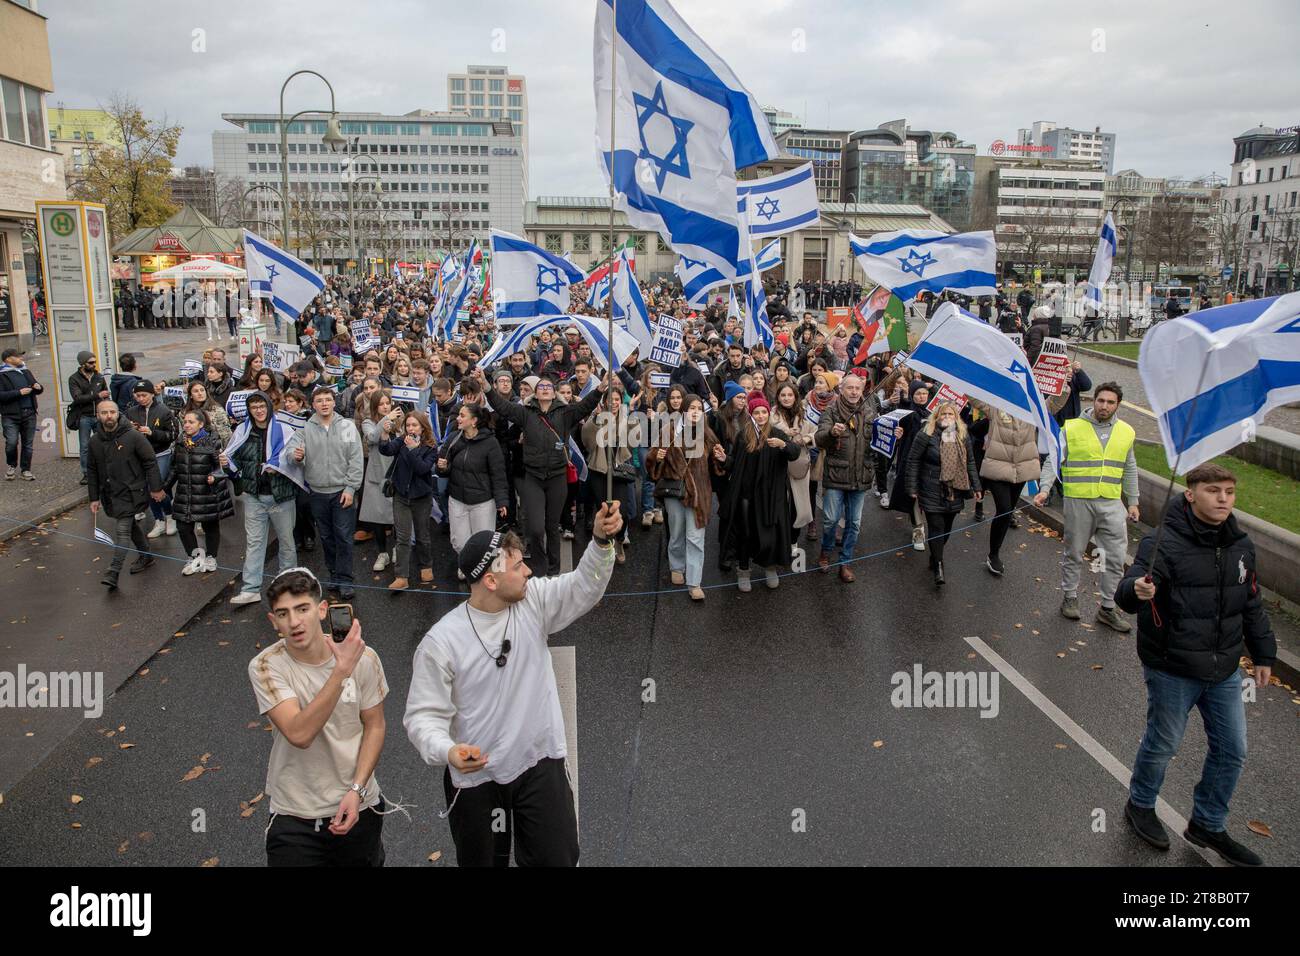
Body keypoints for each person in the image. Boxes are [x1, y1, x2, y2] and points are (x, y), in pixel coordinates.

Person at [403, 504, 623, 867]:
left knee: (558, 859)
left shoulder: (533, 601)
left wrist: (600, 541)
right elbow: (422, 717)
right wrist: (448, 751)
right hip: (478, 780)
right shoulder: (441, 642)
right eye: (518, 565)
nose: (528, 571)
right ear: (490, 580)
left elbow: (584, 587)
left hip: (540, 762)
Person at [1115, 463, 1276, 867]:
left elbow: (1251, 602)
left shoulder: (1241, 545)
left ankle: (1207, 823)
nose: (1223, 499)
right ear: (1191, 494)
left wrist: (1264, 653)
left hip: (1224, 669)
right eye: (1214, 491)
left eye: (1230, 492)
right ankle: (1140, 804)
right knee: (1164, 742)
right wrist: (1137, 590)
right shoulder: (1162, 543)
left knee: (1232, 750)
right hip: (1172, 666)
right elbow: (1127, 594)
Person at [250, 567, 390, 867]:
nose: (295, 622)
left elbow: (375, 726)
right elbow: (299, 734)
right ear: (273, 621)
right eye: (283, 613)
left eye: (302, 609)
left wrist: (357, 789)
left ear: (322, 609)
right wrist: (341, 670)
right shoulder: (266, 666)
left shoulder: (365, 659)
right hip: (294, 816)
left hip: (358, 806)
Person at [480, 366, 607, 576]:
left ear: (554, 392)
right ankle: (539, 569)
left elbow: (586, 406)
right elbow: (502, 407)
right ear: (535, 393)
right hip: (533, 477)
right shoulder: (525, 412)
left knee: (551, 526)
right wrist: (486, 387)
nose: (545, 389)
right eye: (541, 387)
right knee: (536, 529)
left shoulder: (566, 412)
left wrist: (600, 389)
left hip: (557, 477)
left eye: (549, 386)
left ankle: (554, 570)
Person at [1037, 381, 1138, 632]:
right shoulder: (1071, 428)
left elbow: (1130, 467)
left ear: (1118, 405)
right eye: (1100, 400)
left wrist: (1133, 501)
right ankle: (1069, 597)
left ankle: (1107, 607)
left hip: (1111, 503)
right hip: (1079, 502)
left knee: (1114, 557)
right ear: (1093, 401)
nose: (1104, 406)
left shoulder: (1126, 432)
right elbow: (1054, 460)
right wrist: (1044, 488)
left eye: (1110, 402)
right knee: (1075, 552)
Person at [286, 387, 366, 600]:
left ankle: (346, 580)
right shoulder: (305, 428)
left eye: (328, 400)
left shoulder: (347, 426)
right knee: (327, 537)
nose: (324, 404)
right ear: (313, 404)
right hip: (318, 493)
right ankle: (334, 574)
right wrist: (296, 455)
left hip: (342, 492)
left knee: (344, 537)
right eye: (319, 400)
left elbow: (356, 459)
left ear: (333, 402)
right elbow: (290, 453)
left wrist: (350, 488)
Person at [717, 391, 799, 591]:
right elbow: (734, 464)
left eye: (764, 412)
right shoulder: (743, 436)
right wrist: (723, 460)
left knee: (770, 534)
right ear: (751, 415)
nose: (761, 416)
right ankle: (743, 570)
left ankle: (770, 567)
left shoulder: (777, 434)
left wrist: (784, 445)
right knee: (746, 533)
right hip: (747, 496)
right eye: (757, 413)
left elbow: (794, 454)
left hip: (771, 496)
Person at [224, 392, 299, 606]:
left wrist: (292, 459)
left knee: (286, 543)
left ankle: (288, 586)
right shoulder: (242, 431)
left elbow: (292, 459)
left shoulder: (284, 429)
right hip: (254, 495)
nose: (258, 410)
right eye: (254, 406)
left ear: (268, 406)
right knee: (255, 543)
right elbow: (235, 460)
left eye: (261, 405)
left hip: (281, 495)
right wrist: (225, 463)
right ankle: (250, 588)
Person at [649, 393, 721, 601]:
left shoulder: (707, 433)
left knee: (696, 537)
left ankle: (695, 582)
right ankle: (677, 566)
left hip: (699, 493)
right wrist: (656, 456)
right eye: (692, 408)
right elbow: (652, 460)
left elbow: (718, 465)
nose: (696, 411)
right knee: (678, 532)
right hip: (675, 491)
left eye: (699, 408)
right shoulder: (669, 431)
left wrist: (722, 459)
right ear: (684, 411)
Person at [87, 400, 165, 589]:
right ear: (98, 415)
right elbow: (92, 470)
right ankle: (146, 556)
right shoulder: (95, 440)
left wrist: (156, 488)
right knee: (130, 526)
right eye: (104, 412)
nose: (109, 416)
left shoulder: (133, 436)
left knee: (122, 530)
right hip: (110, 495)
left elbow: (150, 462)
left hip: (132, 492)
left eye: (112, 412)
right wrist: (94, 497)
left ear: (118, 413)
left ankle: (113, 571)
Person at [905, 401, 981, 587]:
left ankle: (935, 553)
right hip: (930, 488)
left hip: (955, 489)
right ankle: (939, 565)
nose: (947, 418)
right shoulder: (926, 434)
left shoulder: (963, 436)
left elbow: (970, 462)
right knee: (936, 525)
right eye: (943, 414)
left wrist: (977, 486)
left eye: (950, 415)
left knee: (946, 529)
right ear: (936, 416)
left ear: (956, 417)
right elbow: (913, 460)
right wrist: (912, 488)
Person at [438, 402, 510, 567]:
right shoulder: (454, 438)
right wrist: (442, 467)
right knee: (459, 542)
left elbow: (498, 474)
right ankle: (467, 566)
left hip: (483, 501)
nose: (458, 418)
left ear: (474, 420)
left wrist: (501, 501)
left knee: (485, 541)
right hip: (457, 499)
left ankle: (489, 572)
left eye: (462, 415)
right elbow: (443, 466)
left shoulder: (491, 443)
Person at [167, 409, 236, 575]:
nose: (187, 425)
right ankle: (195, 558)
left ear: (201, 424)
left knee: (210, 526)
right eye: (185, 422)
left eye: (191, 422)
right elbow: (174, 468)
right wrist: (163, 488)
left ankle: (211, 557)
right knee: (183, 527)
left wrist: (215, 476)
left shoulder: (212, 442)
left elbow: (222, 467)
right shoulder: (180, 443)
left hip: (207, 493)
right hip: (185, 493)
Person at [378, 410, 439, 591]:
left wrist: (413, 449)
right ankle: (401, 576)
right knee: (402, 537)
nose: (411, 429)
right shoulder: (401, 440)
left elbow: (422, 469)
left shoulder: (430, 446)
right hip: (401, 496)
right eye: (408, 425)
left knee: (423, 536)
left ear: (423, 427)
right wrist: (384, 434)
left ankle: (426, 565)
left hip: (421, 497)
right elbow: (386, 450)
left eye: (414, 425)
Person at [125, 381, 178, 539]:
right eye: (138, 395)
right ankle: (159, 520)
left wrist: (152, 433)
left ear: (152, 394)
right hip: (140, 456)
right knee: (147, 487)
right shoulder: (131, 412)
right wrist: (131, 429)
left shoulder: (164, 411)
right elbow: (123, 432)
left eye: (144, 395)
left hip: (161, 454)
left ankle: (170, 516)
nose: (141, 399)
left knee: (160, 486)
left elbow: (173, 434)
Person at [358, 390, 398, 573]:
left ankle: (398, 548)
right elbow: (373, 437)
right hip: (377, 476)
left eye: (387, 403)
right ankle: (383, 552)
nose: (385, 407)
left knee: (398, 515)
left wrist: (393, 421)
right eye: (381, 404)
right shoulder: (368, 422)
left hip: (396, 474)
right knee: (378, 517)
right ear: (375, 406)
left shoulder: (398, 422)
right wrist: (386, 419)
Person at [1, 347, 43, 481]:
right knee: (11, 442)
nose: (21, 358)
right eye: (18, 356)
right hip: (10, 415)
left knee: (28, 444)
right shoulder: (2, 374)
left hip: (29, 412)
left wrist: (38, 387)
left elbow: (36, 388)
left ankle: (26, 470)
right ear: (8, 359)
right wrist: (19, 393)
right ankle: (11, 465)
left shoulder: (25, 371)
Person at [68, 350, 109, 484]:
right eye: (91, 362)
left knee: (103, 443)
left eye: (95, 362)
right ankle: (86, 473)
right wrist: (97, 396)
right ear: (82, 363)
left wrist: (106, 409)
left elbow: (106, 395)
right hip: (84, 416)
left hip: (98, 416)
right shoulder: (74, 379)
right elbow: (77, 398)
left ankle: (104, 470)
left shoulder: (99, 377)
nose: (94, 365)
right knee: (85, 446)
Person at [183, 380, 232, 445]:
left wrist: (223, 452)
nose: (200, 393)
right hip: (192, 447)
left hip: (214, 448)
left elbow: (225, 435)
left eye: (202, 390)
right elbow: (184, 434)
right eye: (196, 391)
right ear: (190, 395)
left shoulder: (217, 410)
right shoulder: (184, 412)